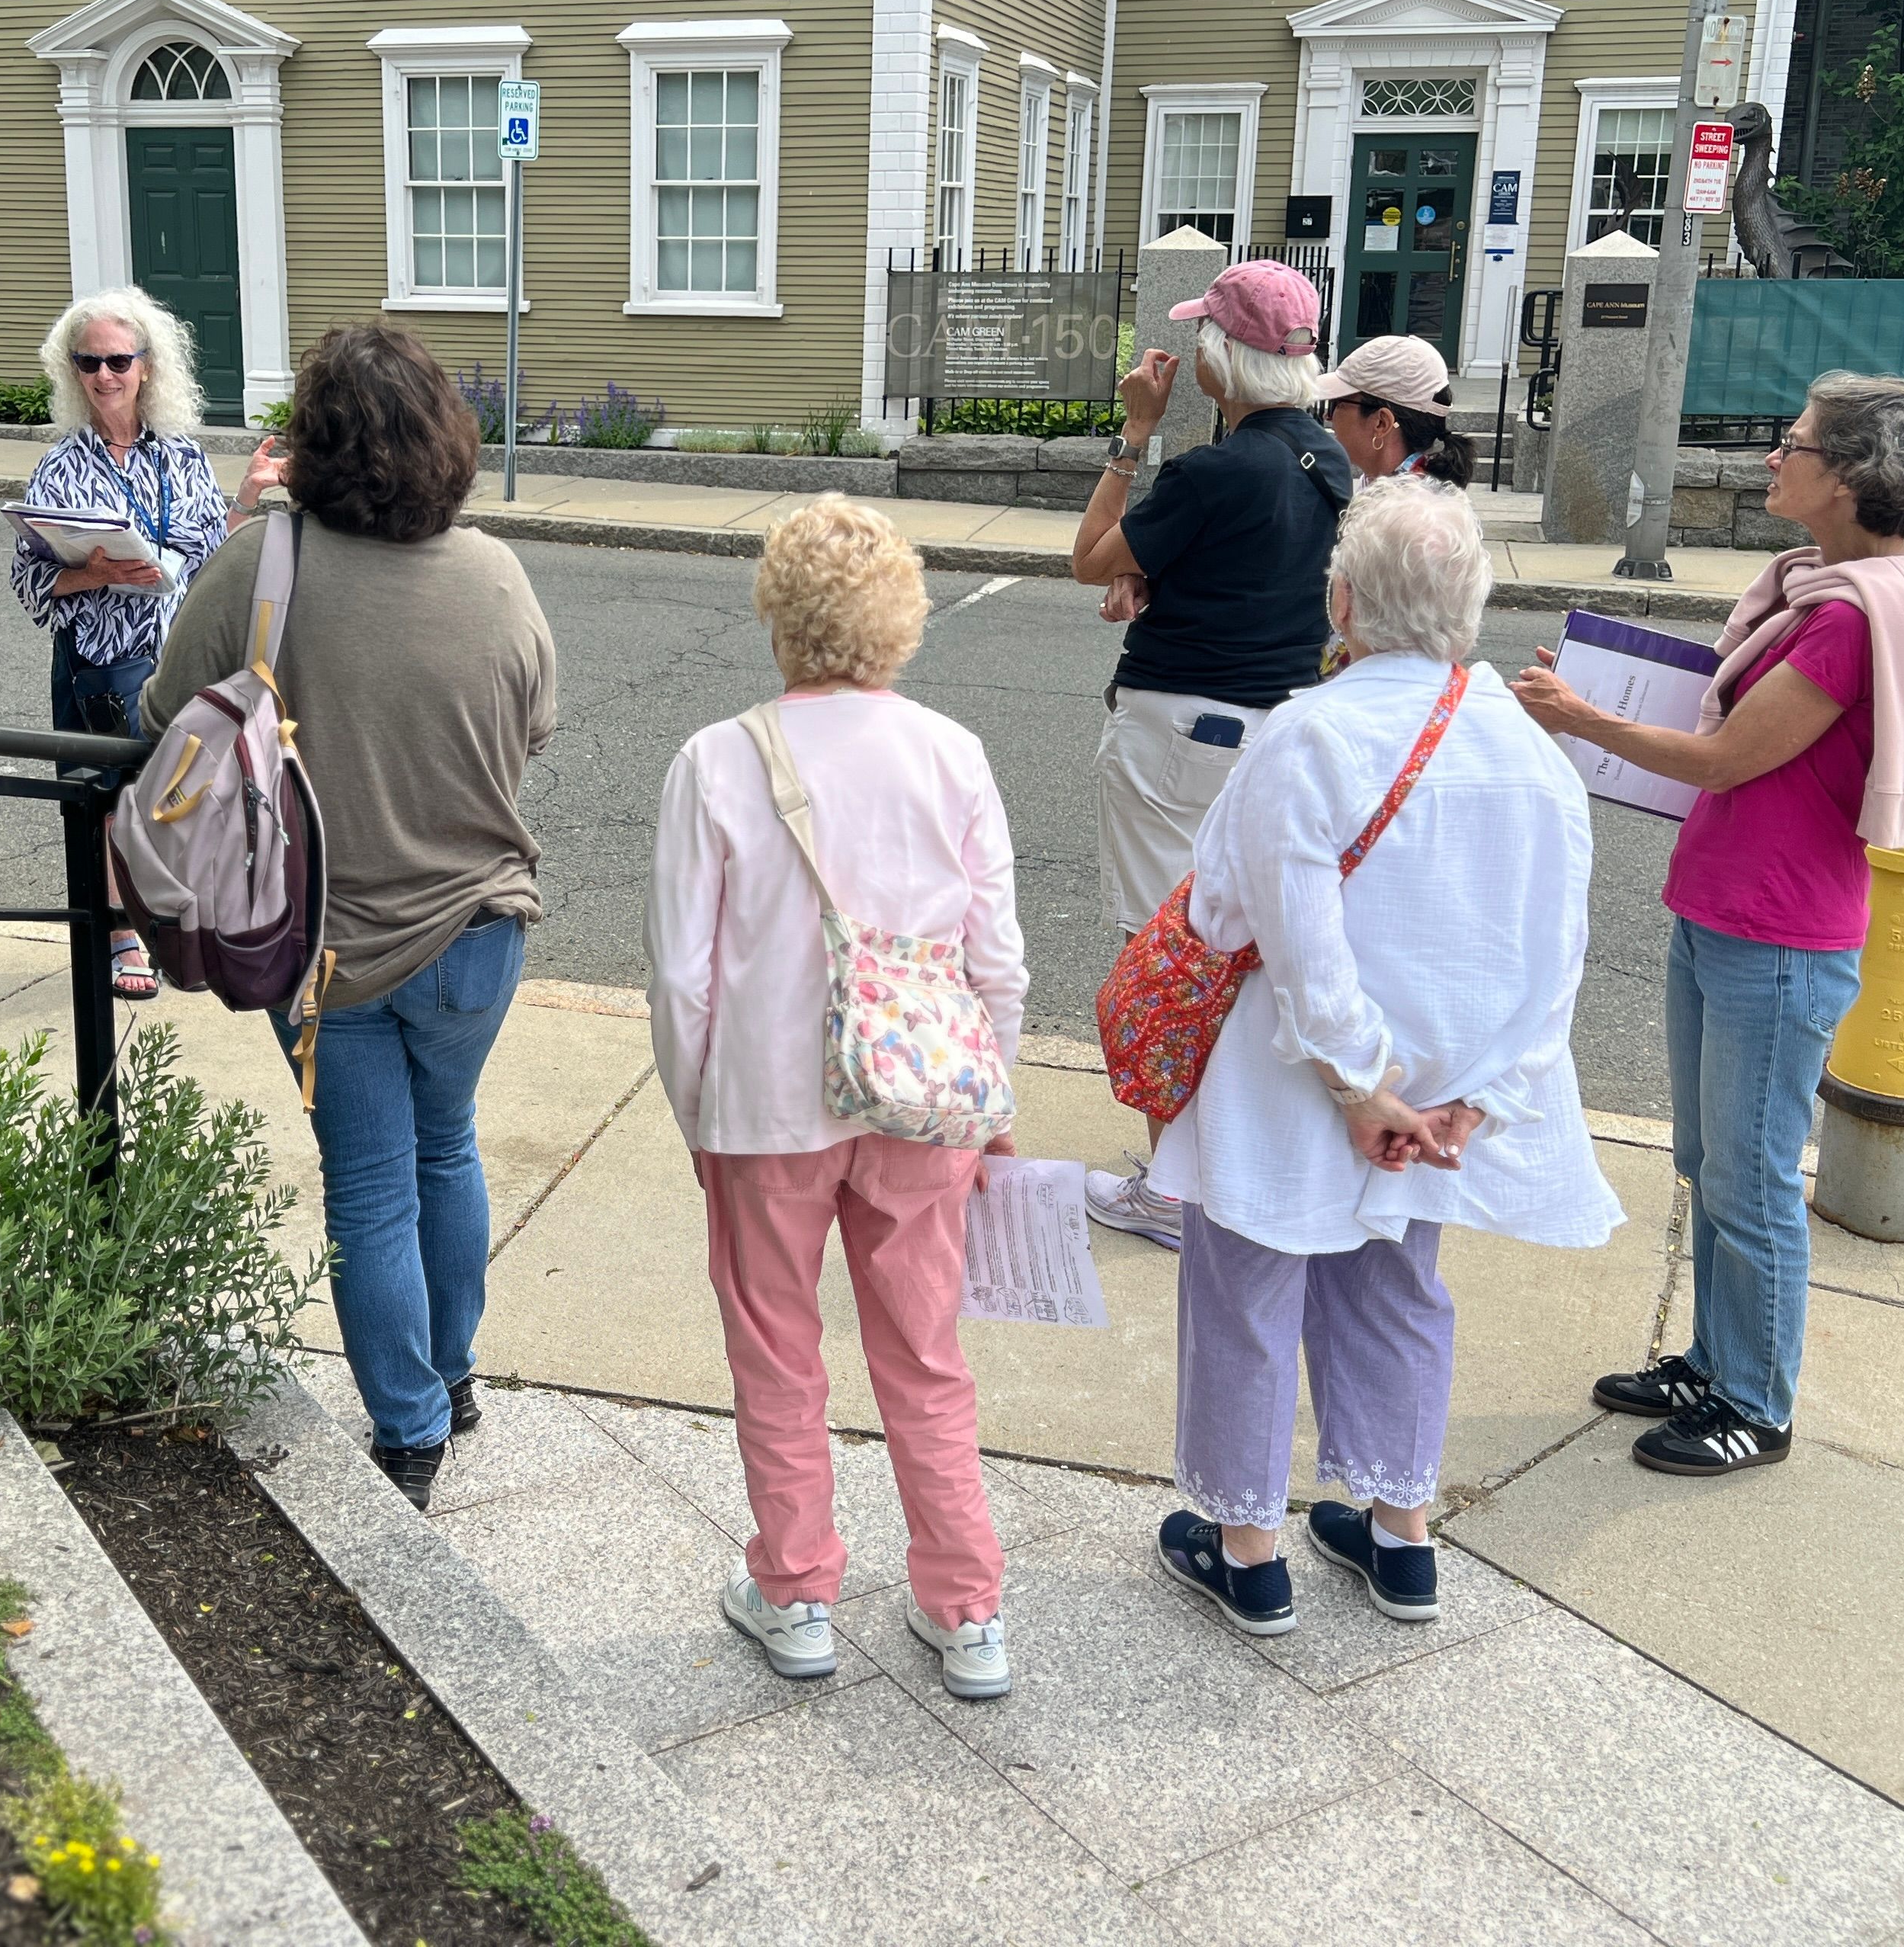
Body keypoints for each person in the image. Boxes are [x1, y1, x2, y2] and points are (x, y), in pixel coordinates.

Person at [1137, 476, 1619, 1637]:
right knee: (1399, 1288)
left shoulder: (1310, 730)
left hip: (1290, 1074)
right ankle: (1401, 1536)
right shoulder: (1531, 750)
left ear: (1343, 599)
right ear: (1472, 605)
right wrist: (1471, 1102)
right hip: (1443, 1090)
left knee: (1248, 1290)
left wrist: (1361, 1084)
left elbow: (1262, 919)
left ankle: (1249, 1552)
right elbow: (1554, 952)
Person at [1516, 376, 1904, 1477]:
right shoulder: (1828, 587)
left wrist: (1584, 718)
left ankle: (1755, 1403)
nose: (1775, 460)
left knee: (1754, 1176)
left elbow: (1730, 758)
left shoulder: (1842, 623)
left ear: (1854, 478)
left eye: (1794, 446)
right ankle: (1714, 1360)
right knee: (1707, 1159)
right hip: (1726, 908)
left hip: (1780, 932)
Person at [138, 322, 554, 1509]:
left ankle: (410, 1429)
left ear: (307, 442)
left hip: (324, 946)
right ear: (445, 437)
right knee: (449, 1145)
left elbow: (166, 714)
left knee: (369, 1182)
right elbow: (530, 728)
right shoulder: (496, 573)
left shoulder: (261, 566)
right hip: (480, 927)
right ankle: (455, 1374)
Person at [649, 497, 1030, 1703]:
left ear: (780, 613)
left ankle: (798, 1586)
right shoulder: (951, 751)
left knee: (777, 1350)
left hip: (766, 1103)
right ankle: (965, 1606)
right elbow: (997, 957)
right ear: (900, 616)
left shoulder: (716, 760)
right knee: (925, 1351)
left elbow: (681, 973)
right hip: (921, 1096)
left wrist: (697, 1107)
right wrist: (993, 1091)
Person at [1071, 258, 1351, 1250]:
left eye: (1201, 337)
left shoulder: (1212, 469)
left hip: (1178, 733)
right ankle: (1238, 1161)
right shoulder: (1329, 463)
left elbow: (1090, 557)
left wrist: (1135, 434)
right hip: (1275, 731)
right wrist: (1164, 585)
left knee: (1167, 957)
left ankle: (1178, 1192)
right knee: (1241, 950)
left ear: (1222, 360)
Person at [9, 287, 279, 997]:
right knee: (113, 797)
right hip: (103, 663)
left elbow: (208, 555)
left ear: (147, 367)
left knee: (177, 795)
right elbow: (28, 578)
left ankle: (168, 919)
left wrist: (246, 495)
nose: (104, 375)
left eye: (118, 360)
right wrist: (89, 572)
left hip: (177, 654)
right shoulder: (61, 464)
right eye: (89, 362)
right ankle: (122, 934)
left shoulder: (180, 457)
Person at [1318, 335, 1476, 486]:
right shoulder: (1386, 489)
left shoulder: (1409, 510)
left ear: (1382, 423)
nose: (1327, 416)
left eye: (1336, 404)